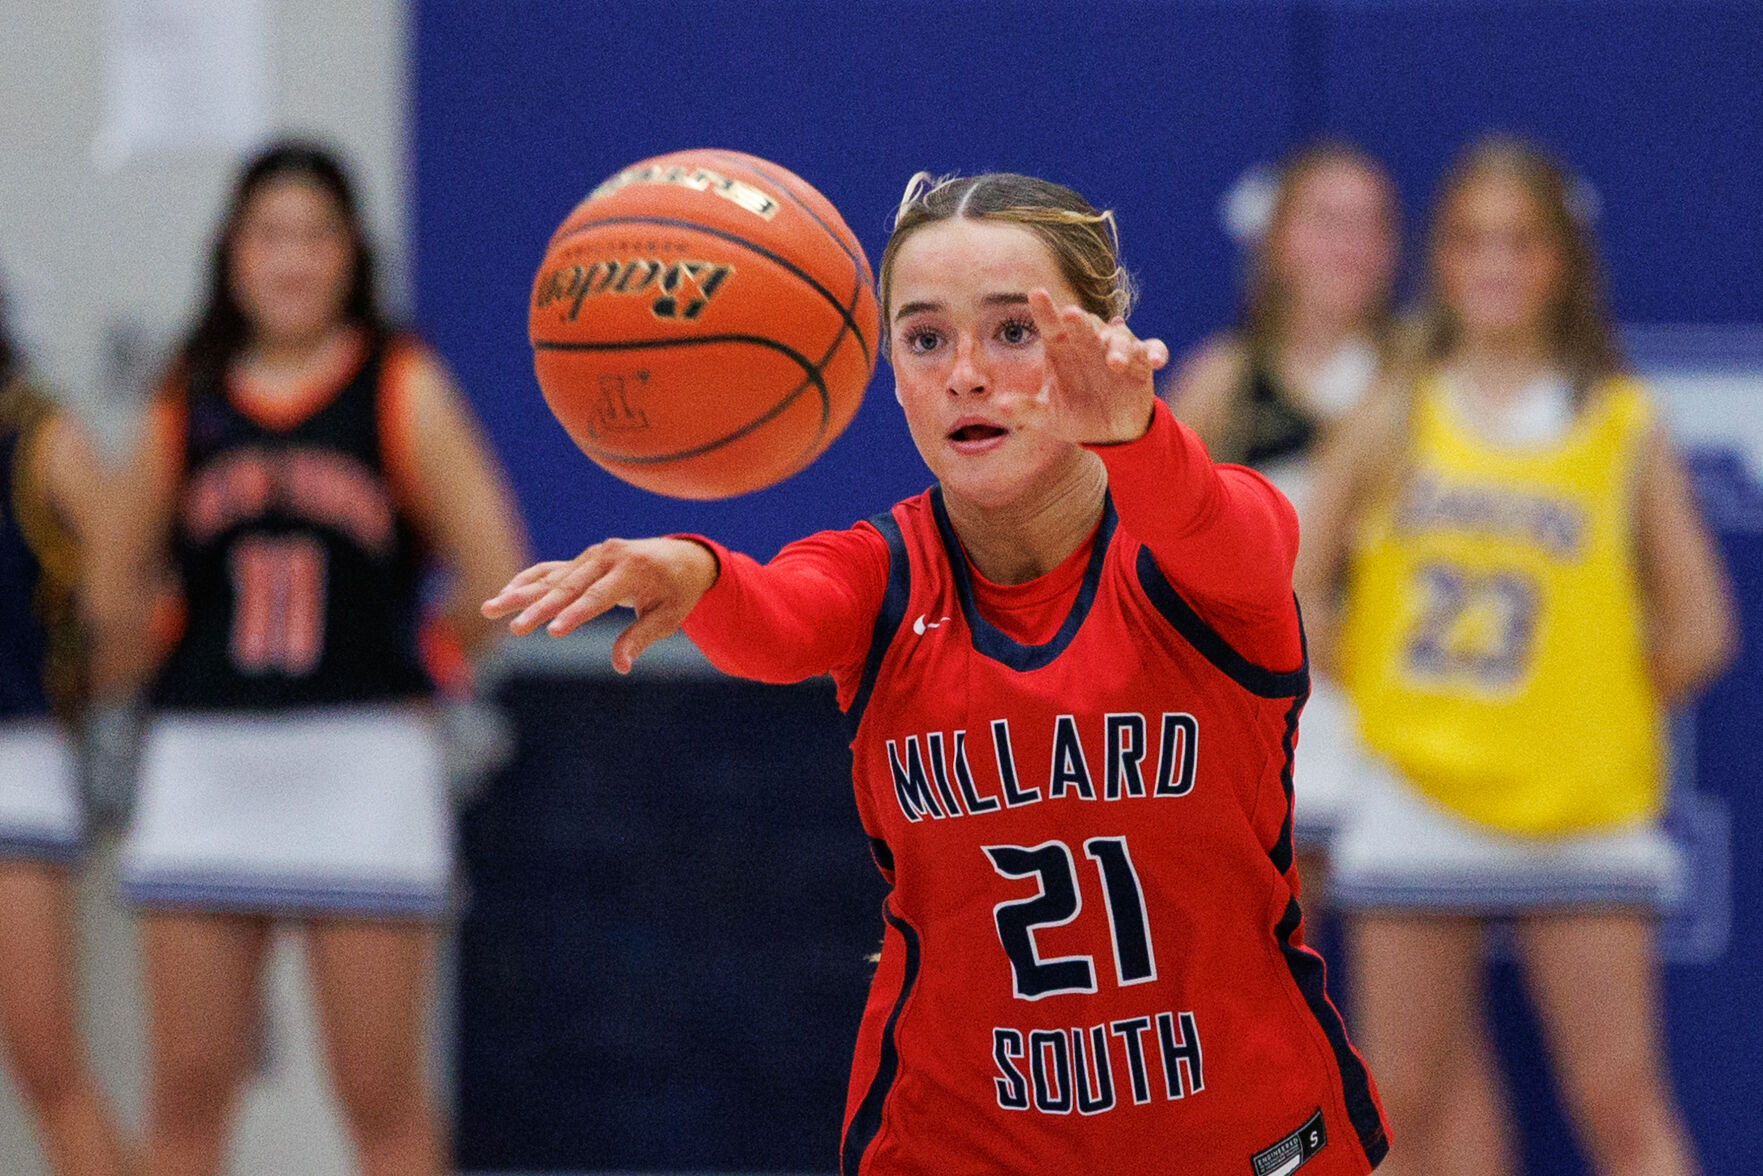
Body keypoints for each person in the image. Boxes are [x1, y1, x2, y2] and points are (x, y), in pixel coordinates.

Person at [487, 172, 1389, 1175]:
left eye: (1011, 332)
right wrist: (696, 572)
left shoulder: (1212, 538)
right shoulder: (881, 571)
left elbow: (1215, 532)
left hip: (1241, 1137)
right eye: (923, 339)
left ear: (1101, 341)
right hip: (961, 1141)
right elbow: (780, 621)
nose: (963, 372)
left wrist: (1134, 434)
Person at [86, 141, 529, 1176]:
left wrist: (418, 660)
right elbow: (112, 577)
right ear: (232, 255)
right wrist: (128, 677)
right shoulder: (186, 392)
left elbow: (494, 569)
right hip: (205, 754)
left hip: (361, 756)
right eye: (269, 236)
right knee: (187, 1097)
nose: (291, 260)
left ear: (349, 255)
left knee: (380, 1098)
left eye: (314, 236)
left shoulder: (400, 384)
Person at [1295, 138, 1736, 1176]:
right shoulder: (1392, 409)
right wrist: (1382, 693)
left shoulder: (1617, 423)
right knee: (1392, 1101)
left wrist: (1583, 708)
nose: (1494, 263)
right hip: (1415, 793)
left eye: (1520, 242)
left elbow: (1702, 627)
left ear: (1560, 264)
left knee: (1621, 1101)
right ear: (1439, 261)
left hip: (1576, 807)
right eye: (1470, 241)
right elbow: (1296, 588)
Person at [1171, 140, 1402, 873]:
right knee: (1264, 940)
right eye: (1326, 220)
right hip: (1261, 697)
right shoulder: (1226, 379)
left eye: (1370, 226)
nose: (1348, 246)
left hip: (1390, 700)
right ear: (1276, 241)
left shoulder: (1422, 382)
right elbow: (1146, 537)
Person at [0, 288, 130, 1176]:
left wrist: (77, 692)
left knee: (48, 1067)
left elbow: (127, 601)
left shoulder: (42, 436)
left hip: (14, 764)